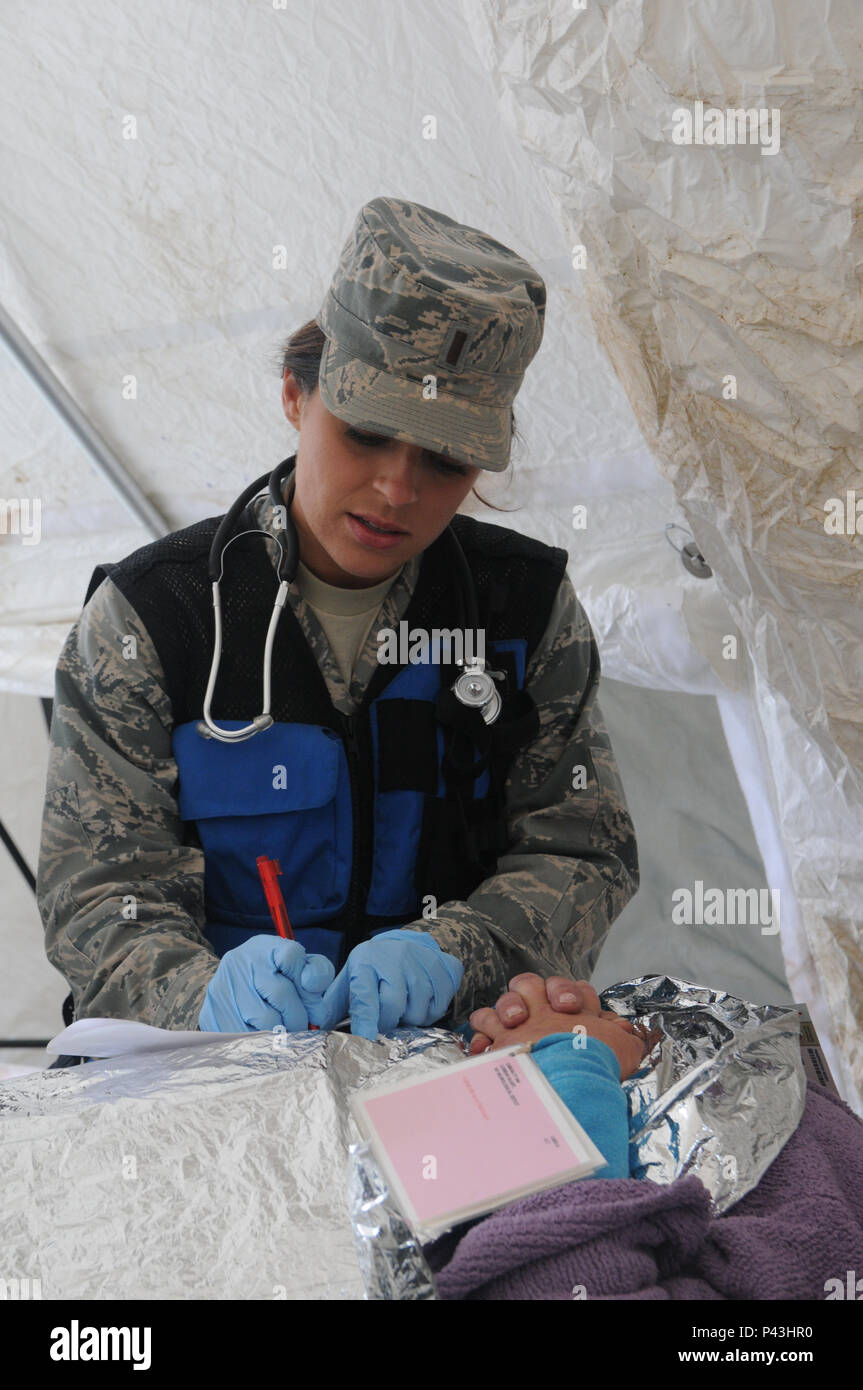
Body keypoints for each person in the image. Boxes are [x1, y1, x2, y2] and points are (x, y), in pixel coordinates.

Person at [36, 195, 639, 1045]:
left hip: (449, 1070)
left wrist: (455, 950)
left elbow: (583, 852)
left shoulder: (522, 612)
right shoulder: (154, 620)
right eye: (364, 436)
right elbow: (95, 893)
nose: (398, 490)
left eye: (444, 459)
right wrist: (201, 996)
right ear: (295, 395)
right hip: (203, 1079)